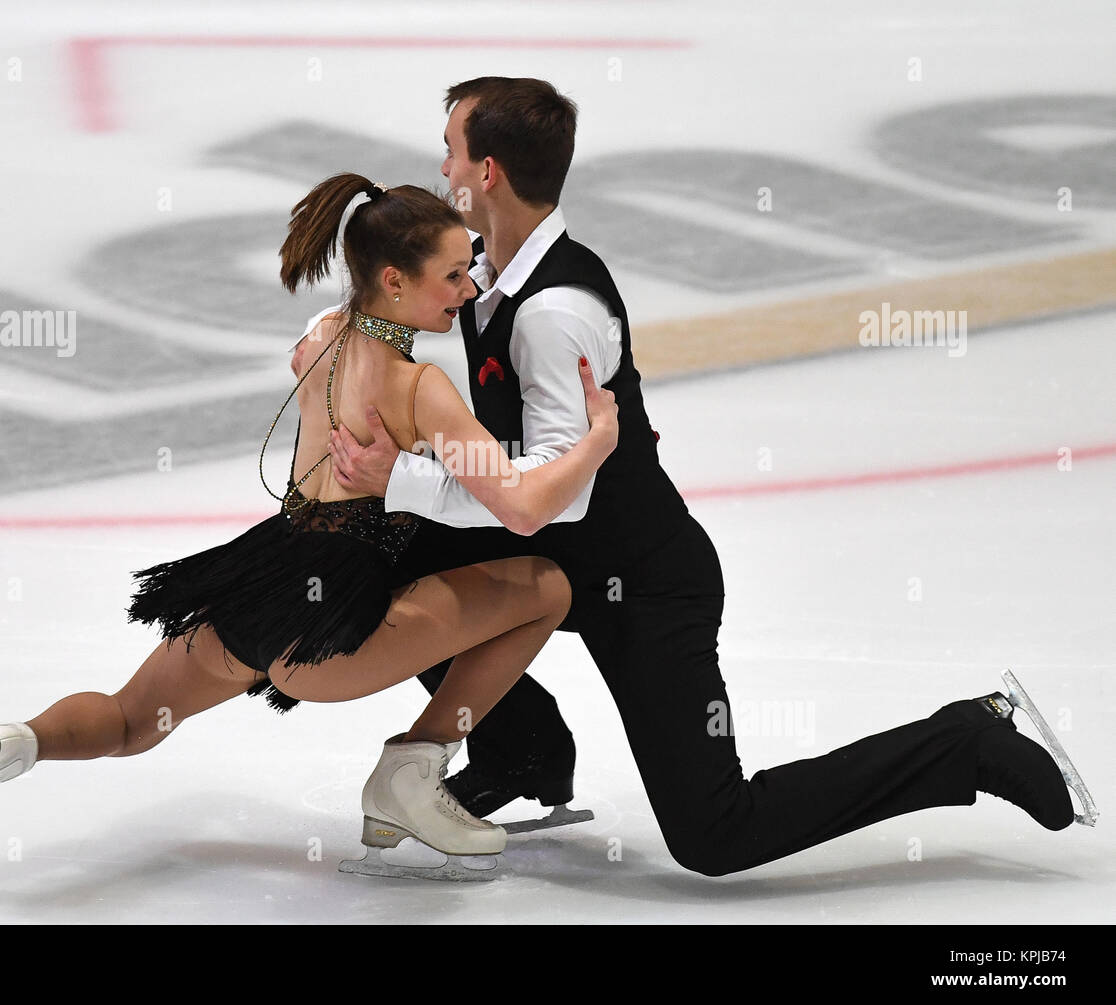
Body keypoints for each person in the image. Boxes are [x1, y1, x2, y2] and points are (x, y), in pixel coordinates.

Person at [325, 76, 1091, 877]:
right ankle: (522, 750)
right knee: (370, 570)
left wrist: (401, 482)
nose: (441, 169)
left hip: (642, 579)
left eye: (451, 152)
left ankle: (963, 742)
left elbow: (555, 496)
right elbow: (392, 305)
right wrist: (324, 342)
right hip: (550, 562)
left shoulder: (554, 314)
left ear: (488, 173)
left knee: (716, 835)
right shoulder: (479, 272)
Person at [0, 172, 621, 869]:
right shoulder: (422, 389)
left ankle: (16, 741)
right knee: (546, 586)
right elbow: (520, 507)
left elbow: (309, 349)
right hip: (334, 628)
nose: (467, 289)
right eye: (453, 274)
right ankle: (411, 771)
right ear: (395, 279)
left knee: (129, 721)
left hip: (263, 583)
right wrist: (594, 445)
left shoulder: (323, 340)